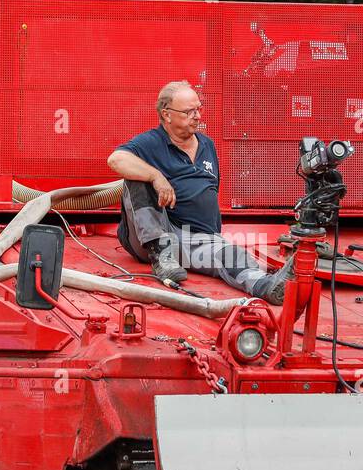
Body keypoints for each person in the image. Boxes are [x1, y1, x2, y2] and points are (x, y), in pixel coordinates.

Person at [107, 80, 295, 305]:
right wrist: (156, 177)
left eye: (198, 109)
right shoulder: (151, 142)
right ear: (167, 115)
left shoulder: (207, 144)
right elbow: (116, 160)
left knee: (231, 256)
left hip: (198, 239)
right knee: (137, 175)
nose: (197, 116)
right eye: (189, 111)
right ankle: (161, 254)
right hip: (156, 236)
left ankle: (267, 286)